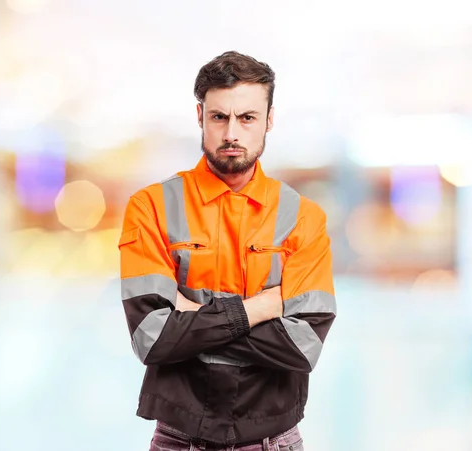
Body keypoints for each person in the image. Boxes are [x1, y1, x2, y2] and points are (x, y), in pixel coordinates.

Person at [118, 50, 337, 451]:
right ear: (200, 116)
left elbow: (302, 347)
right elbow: (153, 339)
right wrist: (260, 308)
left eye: (247, 118)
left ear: (269, 120)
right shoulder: (150, 207)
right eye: (219, 117)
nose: (231, 133)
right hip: (177, 440)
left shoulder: (304, 218)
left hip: (275, 441)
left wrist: (191, 315)